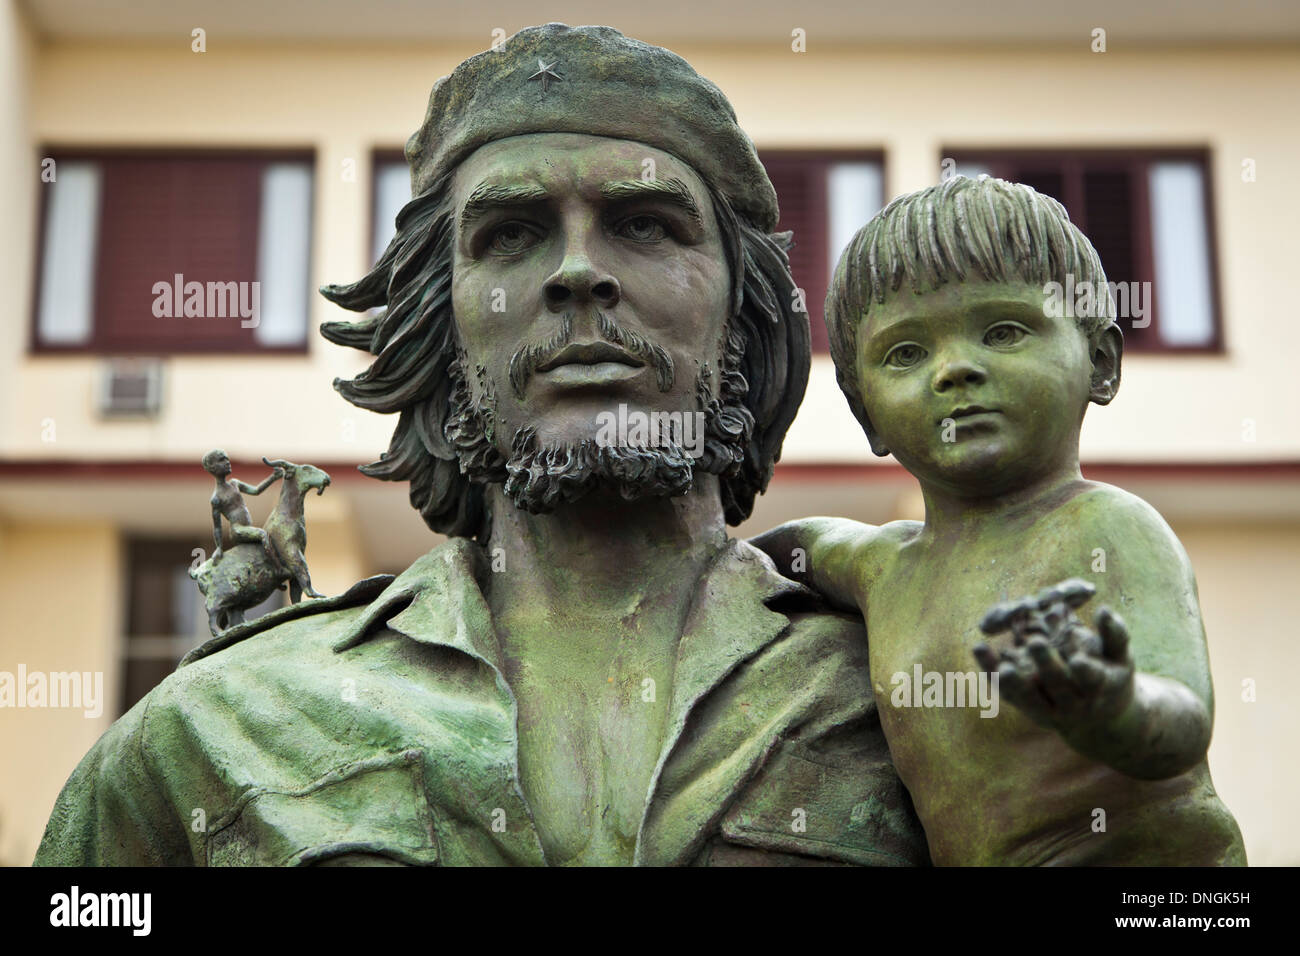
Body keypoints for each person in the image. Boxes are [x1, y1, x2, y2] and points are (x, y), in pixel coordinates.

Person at [33, 23, 928, 867]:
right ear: (440, 322)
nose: (579, 271)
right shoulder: (212, 732)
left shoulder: (919, 690)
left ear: (745, 305)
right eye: (511, 235)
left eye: (647, 224)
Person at [752, 175, 1246, 865]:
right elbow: (793, 546)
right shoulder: (881, 567)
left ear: (1100, 362)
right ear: (867, 414)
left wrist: (1111, 704)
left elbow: (1186, 718)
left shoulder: (1107, 527)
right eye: (906, 353)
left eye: (1003, 330)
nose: (955, 369)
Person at [202, 448, 281, 565]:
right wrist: (219, 547)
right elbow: (217, 527)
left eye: (227, 459)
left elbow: (256, 490)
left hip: (247, 527)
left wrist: (273, 477)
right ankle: (278, 567)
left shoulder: (235, 483)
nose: (227, 462)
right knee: (263, 535)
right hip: (238, 530)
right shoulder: (216, 498)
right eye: (222, 460)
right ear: (212, 467)